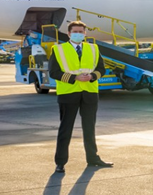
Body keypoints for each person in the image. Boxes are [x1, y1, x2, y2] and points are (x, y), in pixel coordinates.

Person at [48, 21, 114, 173]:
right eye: (75, 31)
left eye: (81, 31)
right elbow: (53, 72)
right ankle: (60, 162)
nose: (79, 34)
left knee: (89, 128)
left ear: (85, 34)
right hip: (68, 93)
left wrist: (92, 76)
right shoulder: (58, 49)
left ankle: (93, 158)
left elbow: (101, 69)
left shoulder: (93, 48)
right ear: (69, 34)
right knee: (66, 129)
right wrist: (74, 78)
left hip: (89, 93)